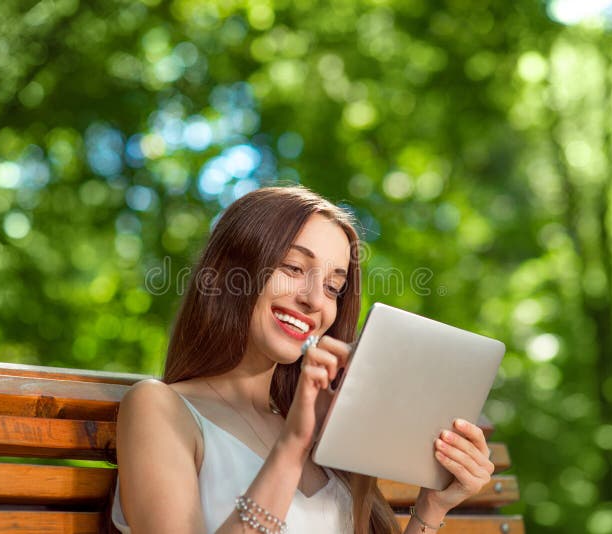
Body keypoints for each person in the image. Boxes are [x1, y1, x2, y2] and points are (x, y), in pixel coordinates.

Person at [111, 186, 494, 534]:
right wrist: (293, 446)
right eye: (293, 268)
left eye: (333, 287)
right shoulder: (159, 407)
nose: (313, 300)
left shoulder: (325, 432)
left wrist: (431, 508)